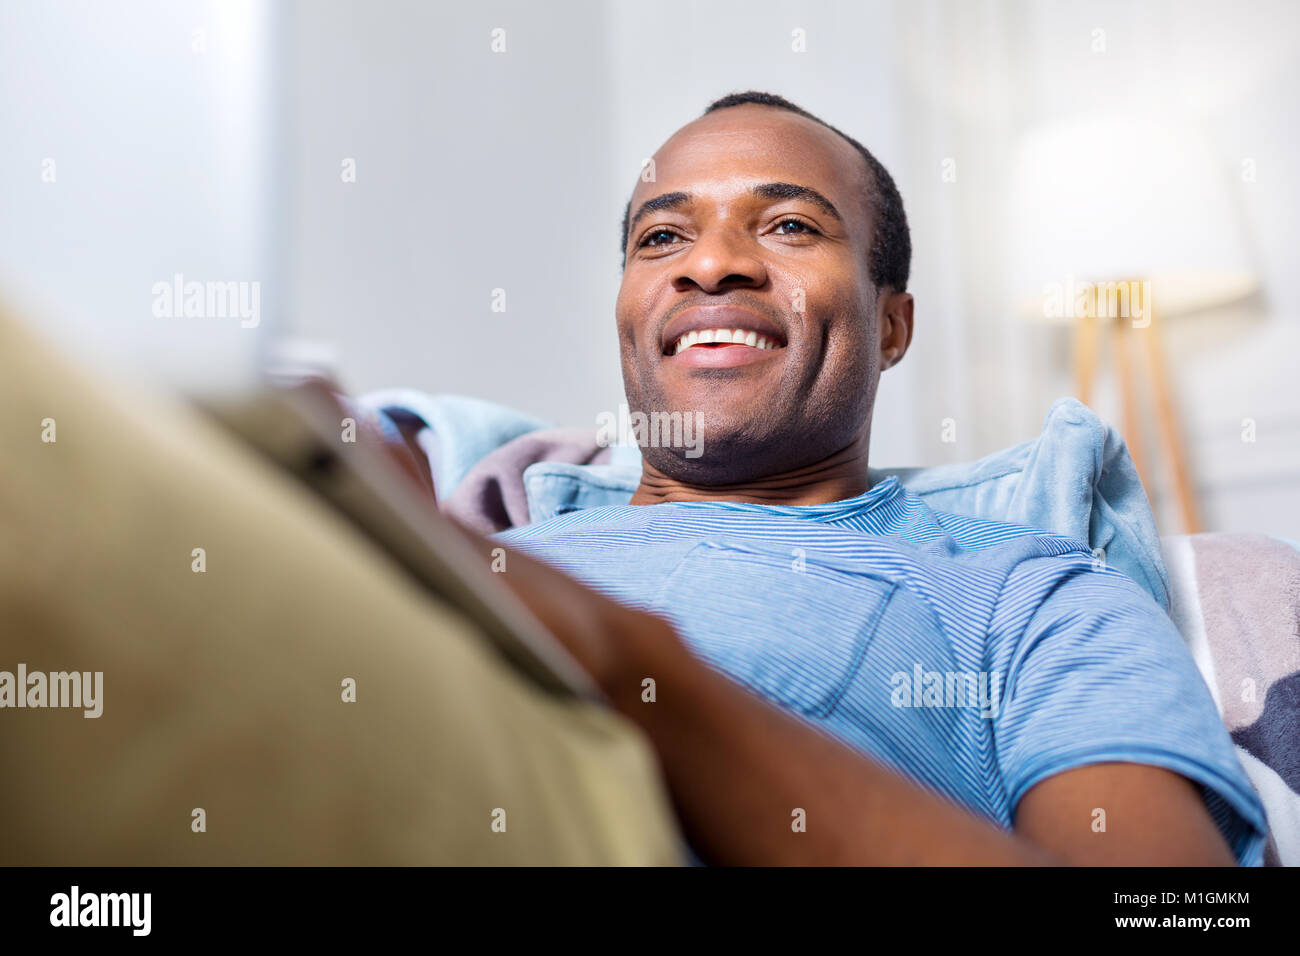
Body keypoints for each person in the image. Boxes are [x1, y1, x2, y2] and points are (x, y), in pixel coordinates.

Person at [423, 91, 1267, 865]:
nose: (710, 265)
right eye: (662, 237)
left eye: (790, 225)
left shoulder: (1031, 595)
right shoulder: (485, 552)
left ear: (893, 325)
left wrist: (642, 677)